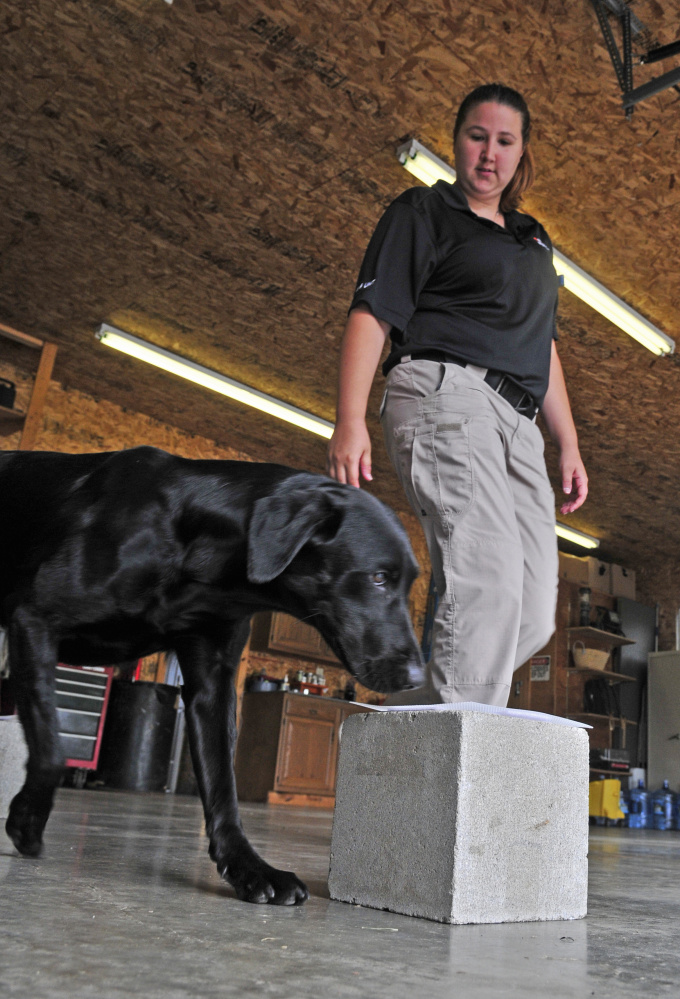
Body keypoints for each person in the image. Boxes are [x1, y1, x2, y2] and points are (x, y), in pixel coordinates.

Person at [326, 83, 588, 708]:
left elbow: (541, 348)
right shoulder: (423, 213)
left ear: (521, 152)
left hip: (519, 423)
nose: (489, 154)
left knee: (527, 611)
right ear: (456, 141)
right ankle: (458, 776)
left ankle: (410, 726)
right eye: (477, 136)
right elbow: (374, 314)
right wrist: (349, 419)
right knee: (488, 585)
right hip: (446, 395)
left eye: (505, 141)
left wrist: (568, 443)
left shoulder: (534, 241)